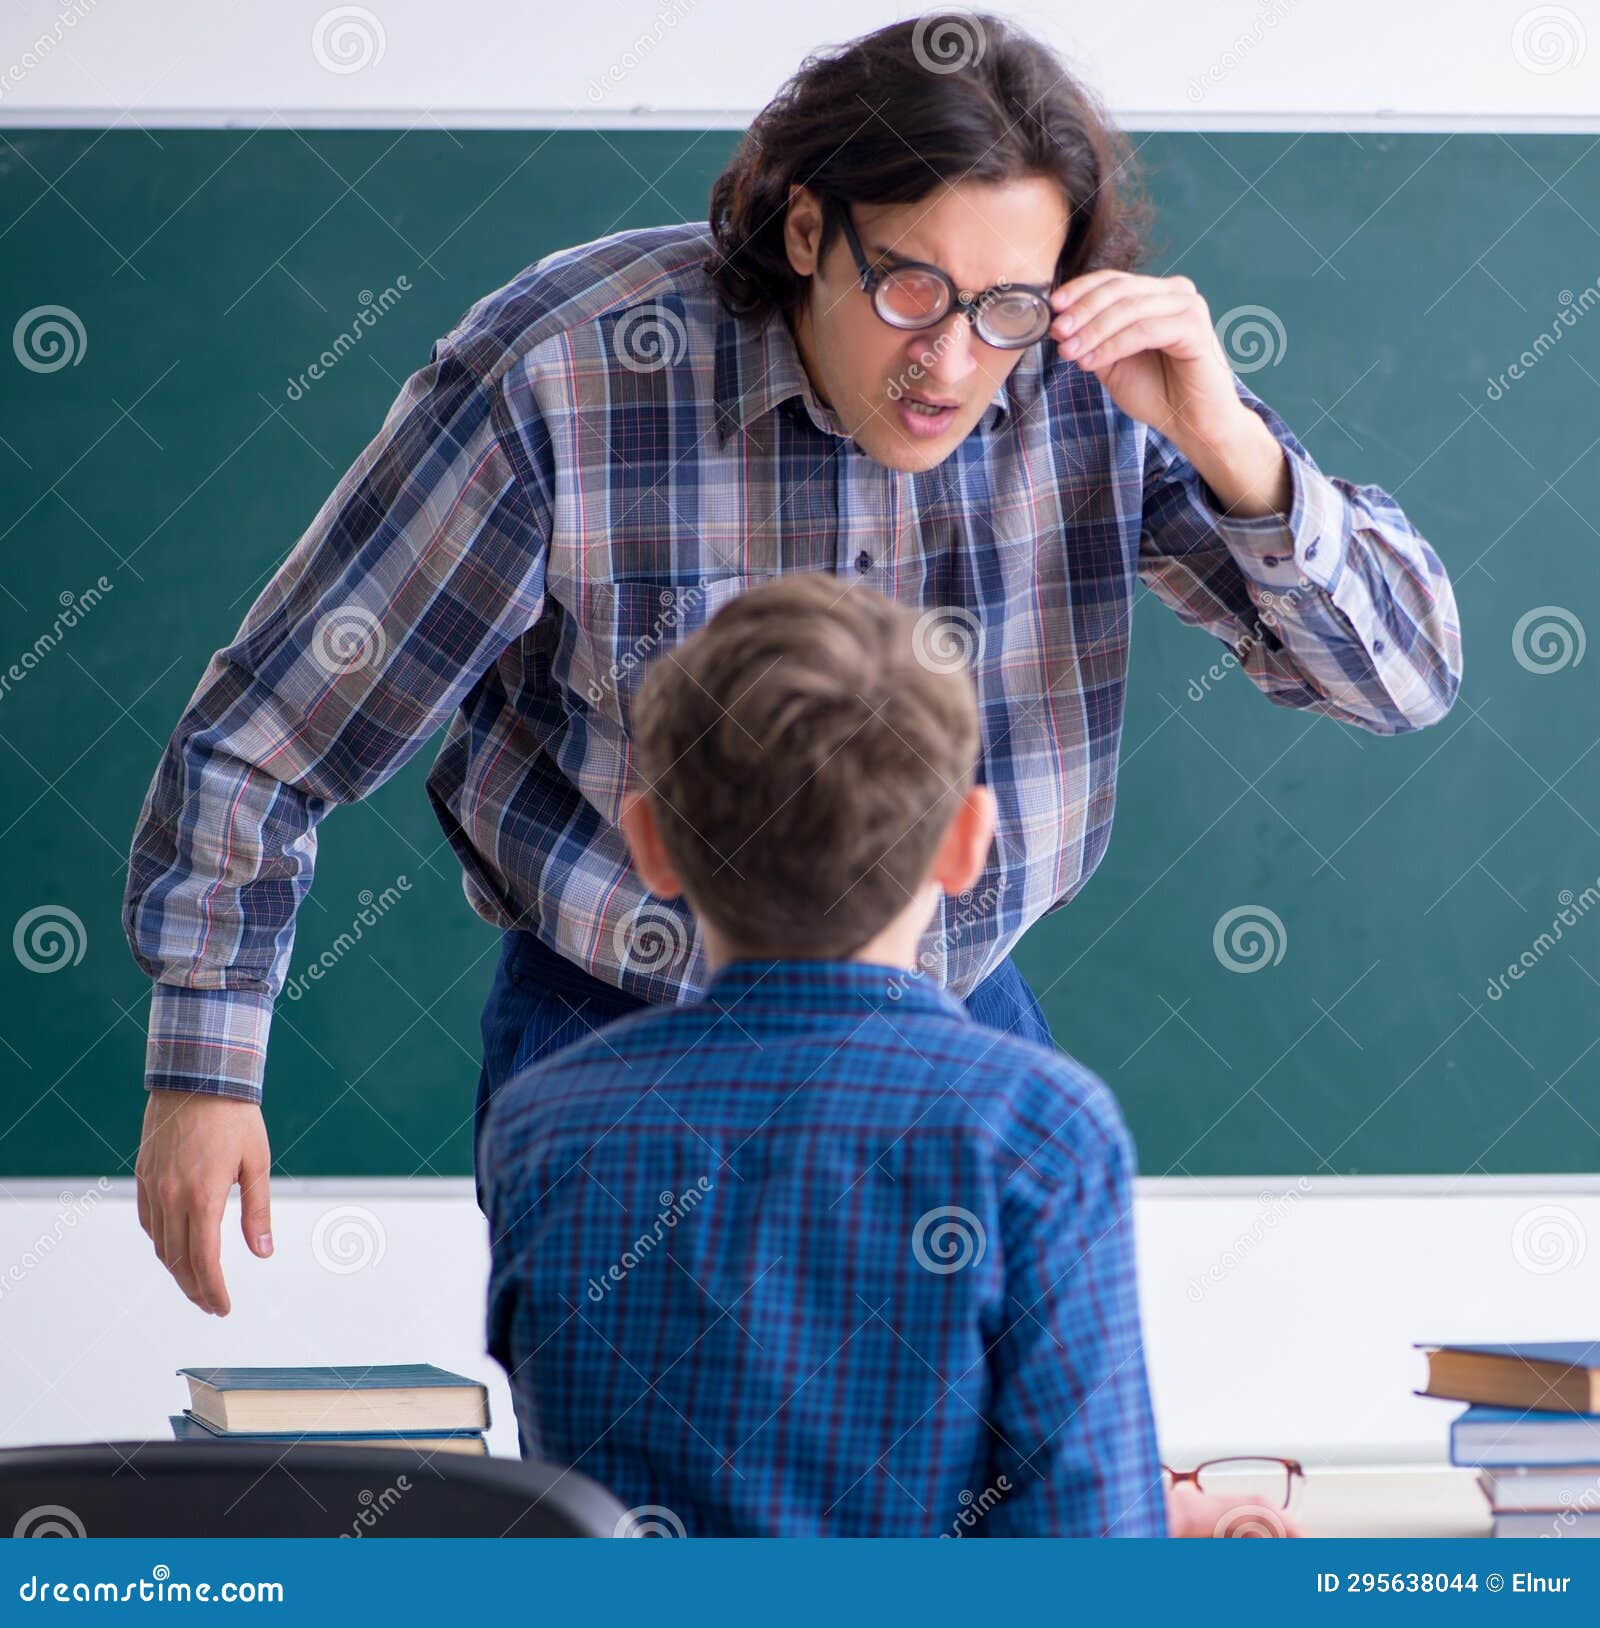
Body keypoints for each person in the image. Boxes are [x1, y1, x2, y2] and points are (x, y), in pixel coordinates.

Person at [125, 12, 1460, 1335]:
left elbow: (1401, 678)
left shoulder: (1097, 381)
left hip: (956, 1029)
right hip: (624, 1042)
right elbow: (270, 738)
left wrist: (1232, 448)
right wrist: (204, 1072)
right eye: (911, 291)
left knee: (996, 1526)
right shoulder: (570, 373)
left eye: (1004, 306)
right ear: (811, 229)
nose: (949, 364)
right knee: (645, 1521)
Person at [485, 573, 1169, 1536]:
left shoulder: (540, 1123)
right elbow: (1090, 1543)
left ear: (649, 844)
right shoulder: (1039, 1129)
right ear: (971, 843)